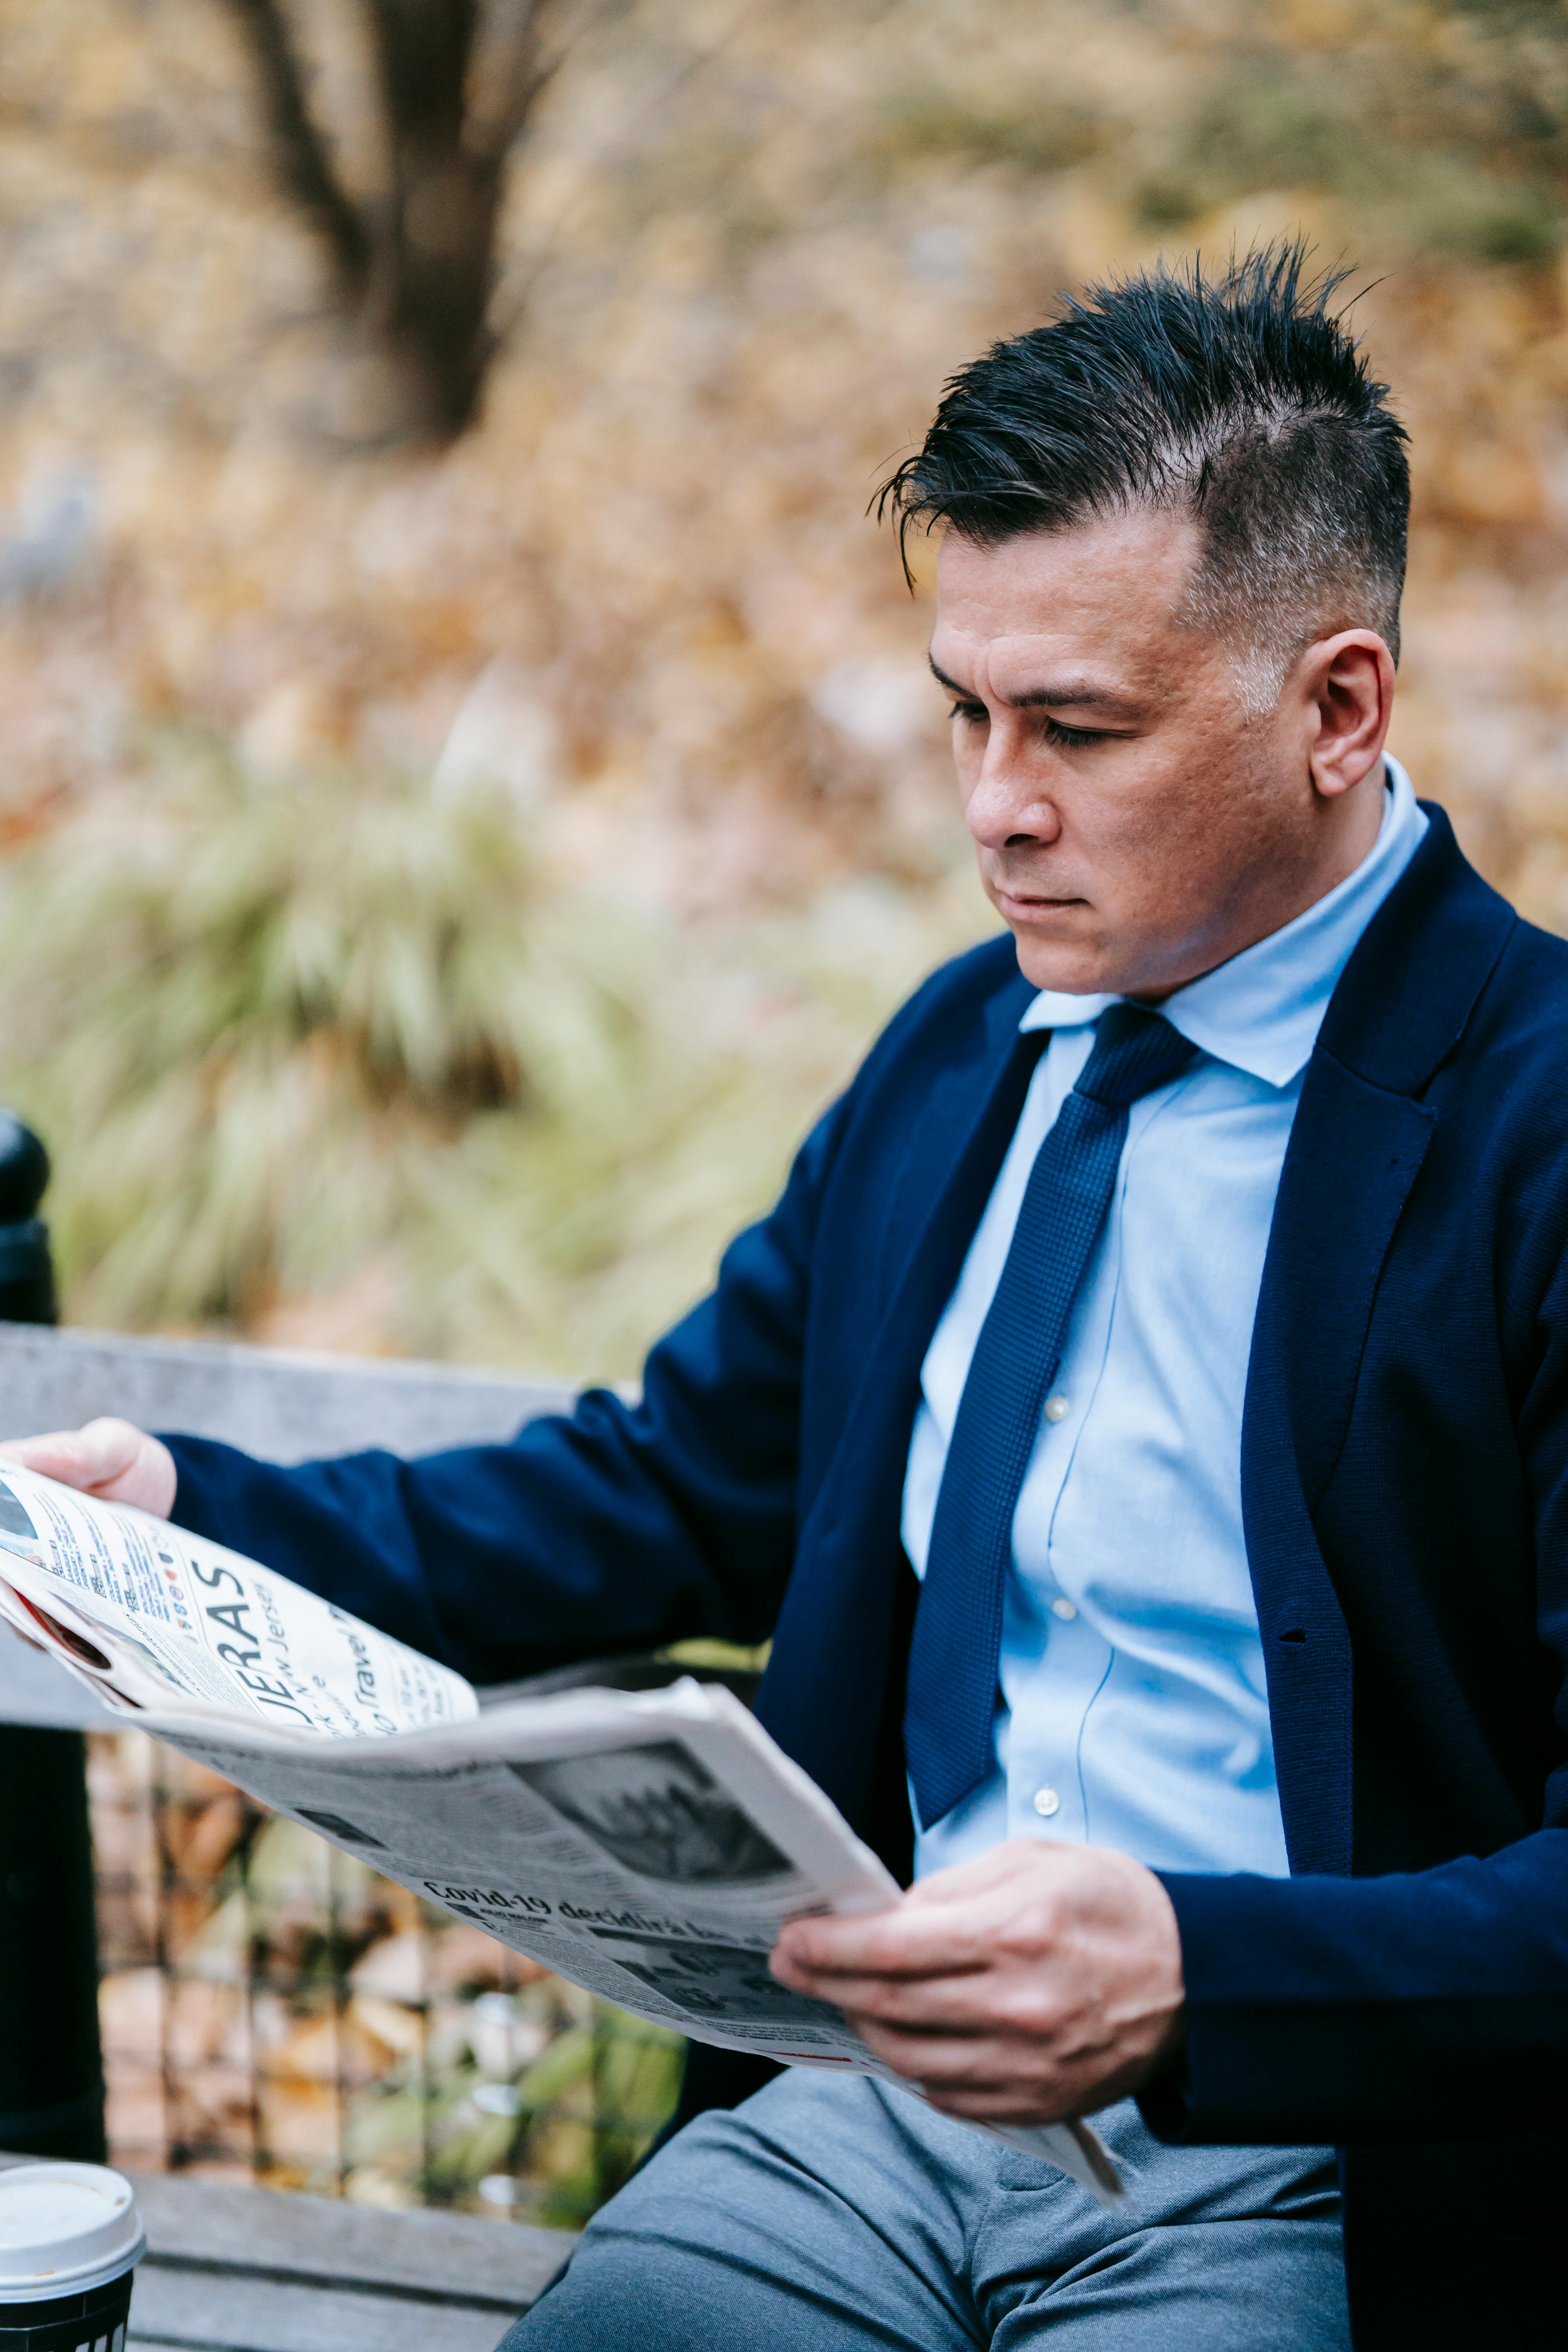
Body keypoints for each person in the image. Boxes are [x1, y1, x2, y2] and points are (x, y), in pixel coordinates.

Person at [11, 244, 1568, 2352]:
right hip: (860, 2117)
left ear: (1338, 706)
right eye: (968, 713)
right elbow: (671, 1490)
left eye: (1077, 729)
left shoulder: (1539, 1132)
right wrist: (191, 1522)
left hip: (1322, 2171)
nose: (993, 804)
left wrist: (1203, 1980)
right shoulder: (964, 1056)